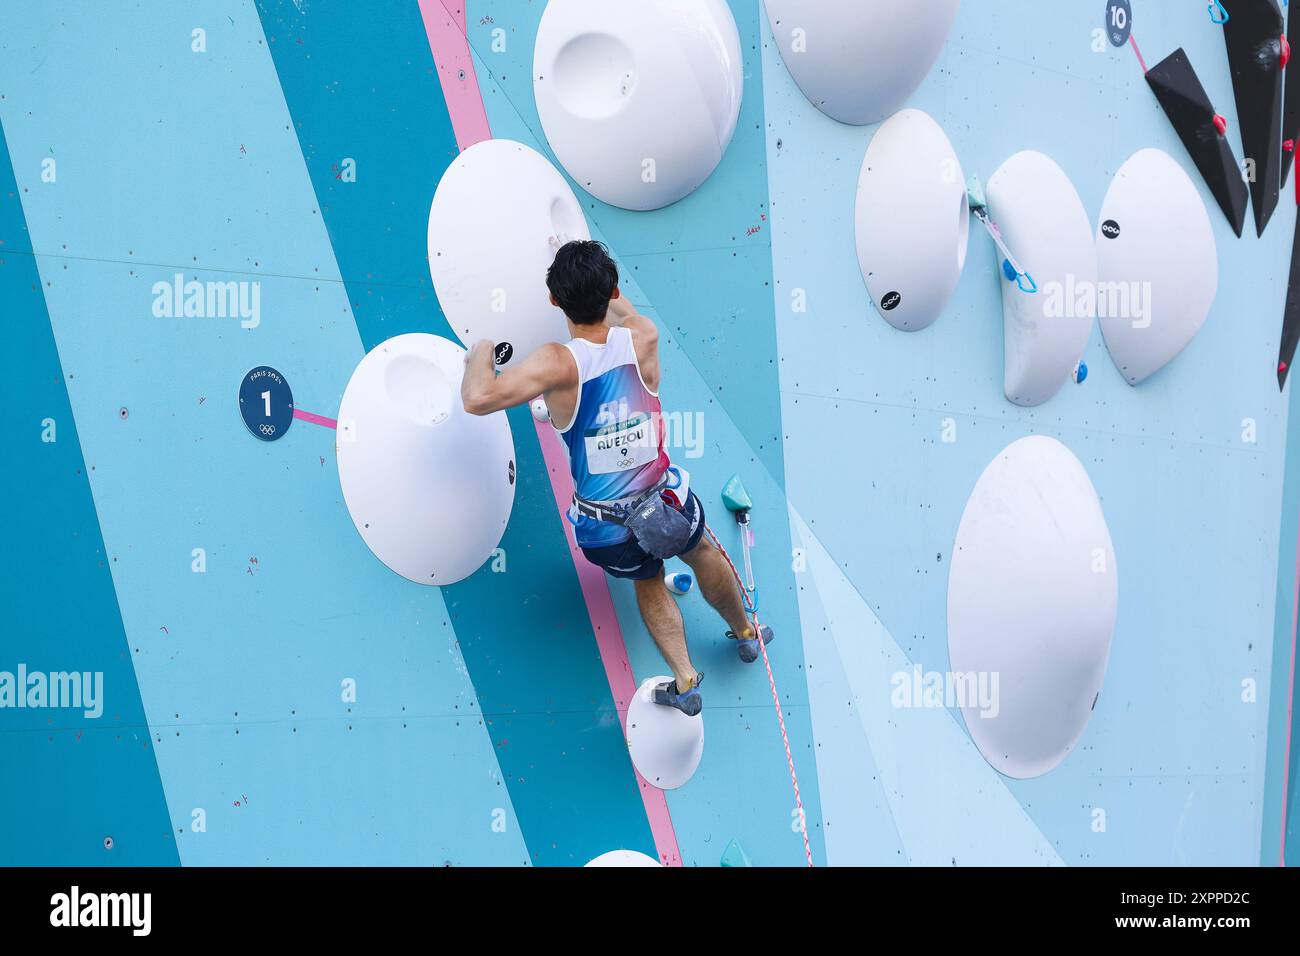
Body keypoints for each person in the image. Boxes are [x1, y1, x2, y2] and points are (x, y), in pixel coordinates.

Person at [460, 240, 772, 716]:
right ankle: (747, 633)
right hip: (667, 502)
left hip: (608, 529)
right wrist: (600, 283)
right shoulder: (643, 336)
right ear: (613, 290)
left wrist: (480, 350)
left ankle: (686, 679)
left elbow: (478, 398)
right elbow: (622, 313)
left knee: (649, 579)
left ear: (553, 301)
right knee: (702, 550)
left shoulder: (556, 364)